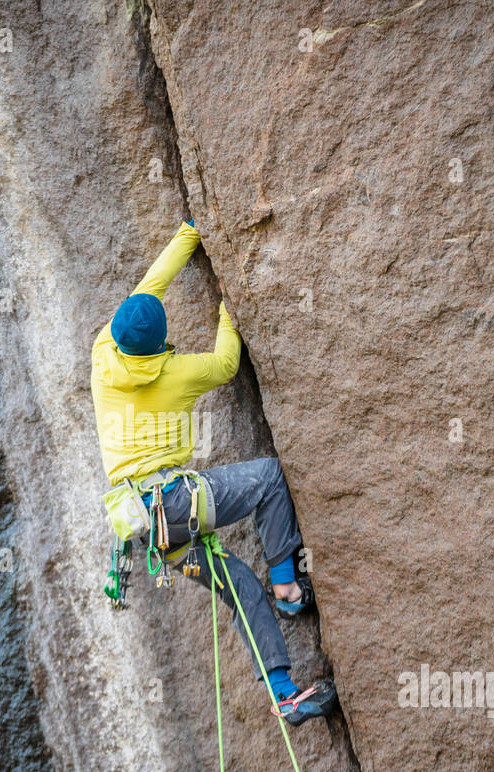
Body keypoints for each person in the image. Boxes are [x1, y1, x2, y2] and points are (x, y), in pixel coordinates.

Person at [90, 219, 337, 725]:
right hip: (177, 501)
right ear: (160, 343)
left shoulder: (101, 357)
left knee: (239, 587)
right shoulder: (176, 372)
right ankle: (289, 589)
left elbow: (148, 288)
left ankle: (285, 694)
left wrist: (187, 235)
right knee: (268, 477)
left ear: (117, 333)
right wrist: (229, 303)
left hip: (143, 528)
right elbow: (227, 364)